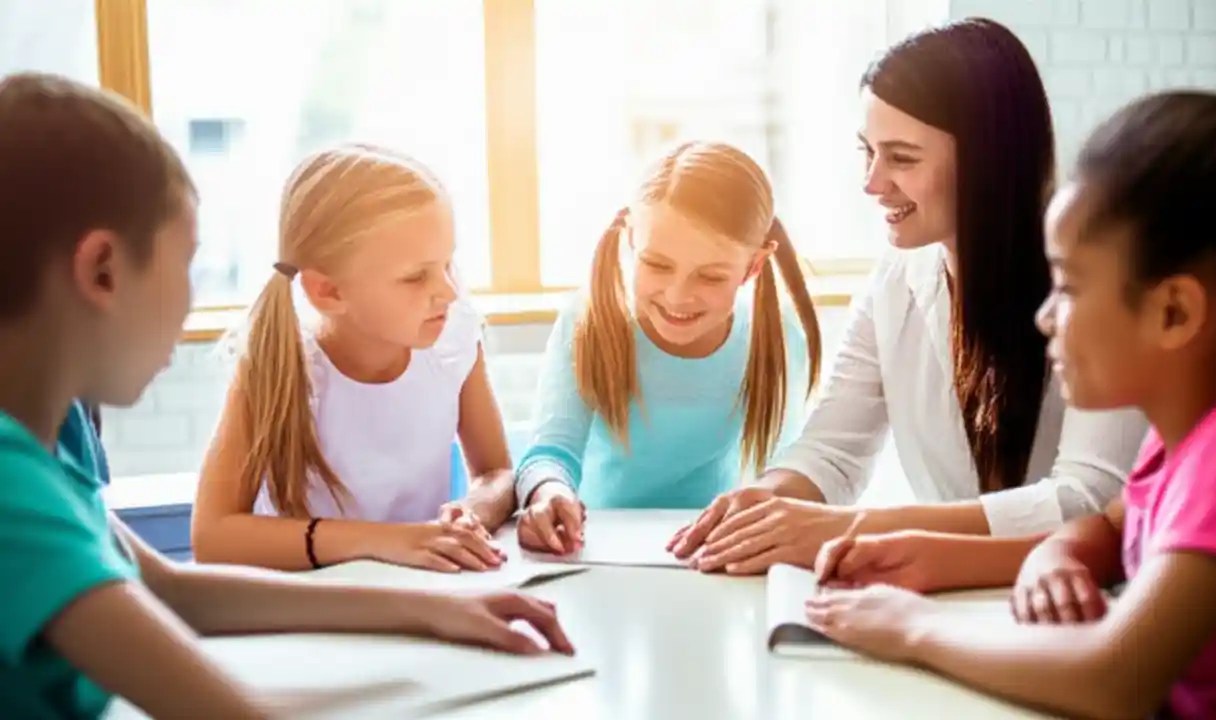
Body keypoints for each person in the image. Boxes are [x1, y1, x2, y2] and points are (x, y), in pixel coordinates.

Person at [0, 72, 572, 720]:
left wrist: (431, 610)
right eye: (185, 265)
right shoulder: (8, 485)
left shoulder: (54, 435)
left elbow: (166, 588)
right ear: (102, 271)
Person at [808, 85, 1216, 720]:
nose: (1045, 316)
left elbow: (1116, 678)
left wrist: (913, 629)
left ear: (1174, 312)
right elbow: (1113, 527)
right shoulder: (1188, 439)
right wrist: (1045, 554)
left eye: (1069, 287)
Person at [670, 18, 1146, 579]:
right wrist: (768, 503)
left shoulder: (1097, 286)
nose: (872, 182)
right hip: (953, 597)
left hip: (1079, 601)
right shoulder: (896, 279)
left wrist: (850, 529)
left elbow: (1088, 500)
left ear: (987, 158)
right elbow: (832, 450)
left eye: (901, 158)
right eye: (867, 152)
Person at [192, 143, 515, 573]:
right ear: (328, 291)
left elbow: (497, 473)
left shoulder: (452, 340)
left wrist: (473, 511)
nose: (449, 292)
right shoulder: (281, 362)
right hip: (310, 605)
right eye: (416, 276)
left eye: (447, 265)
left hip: (418, 595)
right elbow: (212, 536)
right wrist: (383, 542)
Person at [515, 141, 822, 555]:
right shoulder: (589, 320)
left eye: (711, 277)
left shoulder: (778, 337)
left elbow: (785, 474)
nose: (678, 297)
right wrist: (547, 492)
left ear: (752, 267)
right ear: (629, 242)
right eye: (657, 265)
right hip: (593, 546)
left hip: (710, 551)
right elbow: (551, 450)